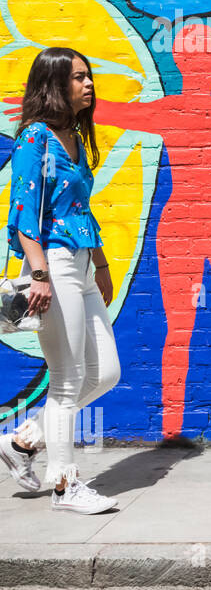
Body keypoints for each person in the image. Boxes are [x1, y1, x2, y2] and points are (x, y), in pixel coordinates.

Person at [0, 47, 121, 515]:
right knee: (68, 383)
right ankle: (64, 487)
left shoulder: (72, 136)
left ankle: (24, 441)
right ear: (53, 84)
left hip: (84, 264)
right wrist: (39, 276)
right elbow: (23, 214)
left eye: (89, 76)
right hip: (53, 264)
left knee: (106, 372)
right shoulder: (36, 137)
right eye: (77, 78)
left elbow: (81, 209)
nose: (88, 84)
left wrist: (104, 264)